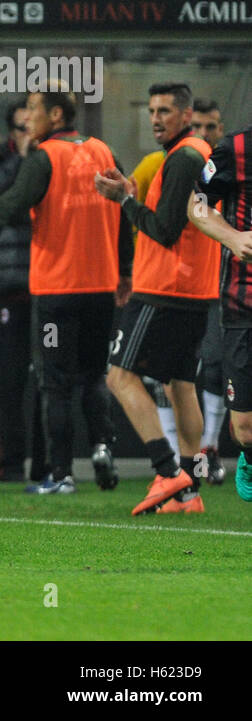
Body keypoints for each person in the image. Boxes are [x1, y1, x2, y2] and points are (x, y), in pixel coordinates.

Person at [0, 85, 132, 494]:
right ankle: (102, 449)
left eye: (33, 109)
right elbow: (125, 206)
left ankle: (61, 474)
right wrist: (126, 271)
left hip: (57, 293)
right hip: (100, 287)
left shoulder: (45, 157)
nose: (28, 117)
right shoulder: (103, 151)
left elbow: (11, 207)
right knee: (94, 376)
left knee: (55, 382)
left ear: (57, 117)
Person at [94, 83, 219, 514]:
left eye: (165, 110)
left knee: (118, 377)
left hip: (165, 288)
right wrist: (132, 192)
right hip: (196, 288)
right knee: (180, 385)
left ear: (185, 115)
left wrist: (124, 199)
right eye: (151, 110)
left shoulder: (184, 157)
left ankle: (167, 472)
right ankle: (190, 492)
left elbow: (165, 230)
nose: (155, 118)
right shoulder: (195, 155)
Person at [0, 100, 46, 483]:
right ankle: (12, 466)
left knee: (48, 379)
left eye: (30, 126)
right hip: (6, 286)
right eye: (20, 128)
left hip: (48, 284)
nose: (26, 134)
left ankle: (46, 466)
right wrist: (22, 159)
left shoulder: (51, 159)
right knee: (8, 379)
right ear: (11, 132)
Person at [188, 116, 252, 501]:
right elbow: (196, 204)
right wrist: (231, 238)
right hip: (241, 300)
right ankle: (247, 455)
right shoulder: (235, 149)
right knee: (244, 428)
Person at [190, 98, 228, 482]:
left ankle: (209, 447)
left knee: (218, 364)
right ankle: (191, 453)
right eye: (198, 126)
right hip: (189, 281)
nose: (205, 134)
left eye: (211, 127)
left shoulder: (232, 165)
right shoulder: (174, 163)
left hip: (225, 278)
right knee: (193, 365)